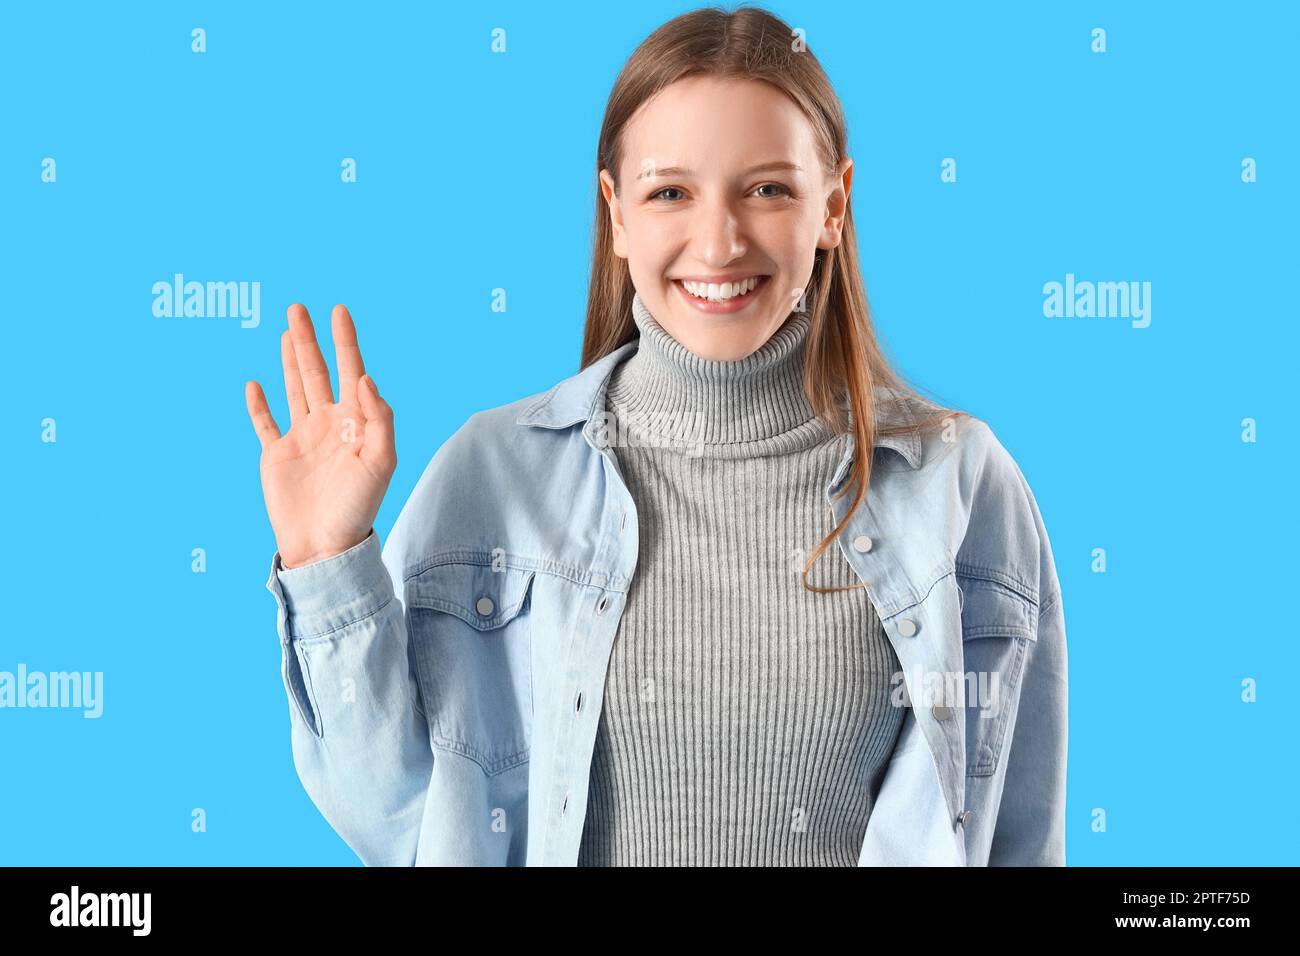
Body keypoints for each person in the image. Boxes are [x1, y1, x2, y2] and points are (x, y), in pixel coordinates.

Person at [244, 5, 1067, 866]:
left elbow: (1017, 836)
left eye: (768, 189)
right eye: (670, 191)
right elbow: (398, 820)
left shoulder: (960, 487)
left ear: (834, 206)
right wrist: (326, 559)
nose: (718, 241)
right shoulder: (493, 476)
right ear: (617, 213)